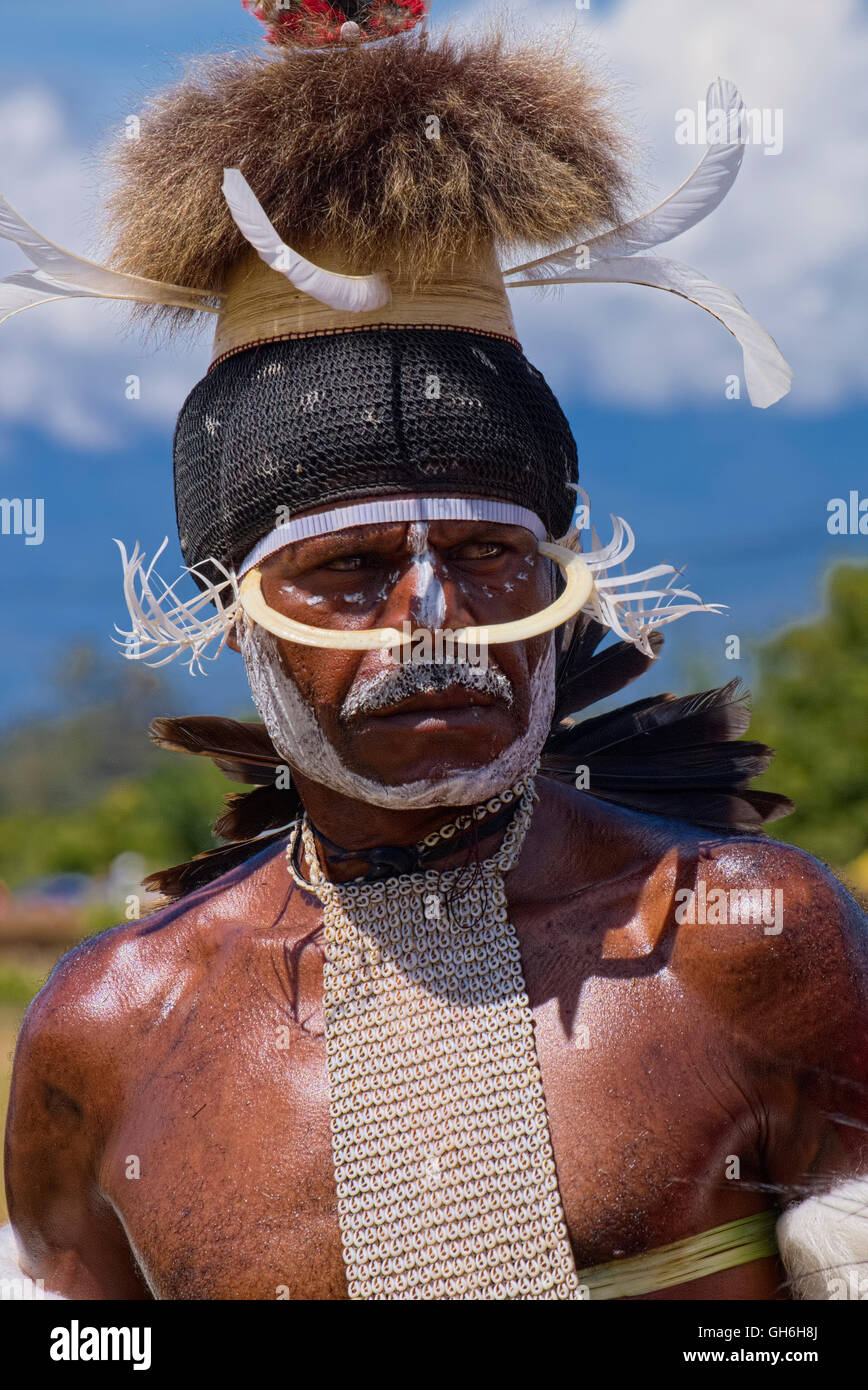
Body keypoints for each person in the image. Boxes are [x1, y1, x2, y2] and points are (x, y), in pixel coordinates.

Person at [3, 3, 866, 1300]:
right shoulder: (107, 1025)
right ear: (234, 607)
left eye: (486, 557)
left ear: (560, 580)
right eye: (350, 570)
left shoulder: (756, 942)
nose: (433, 618)